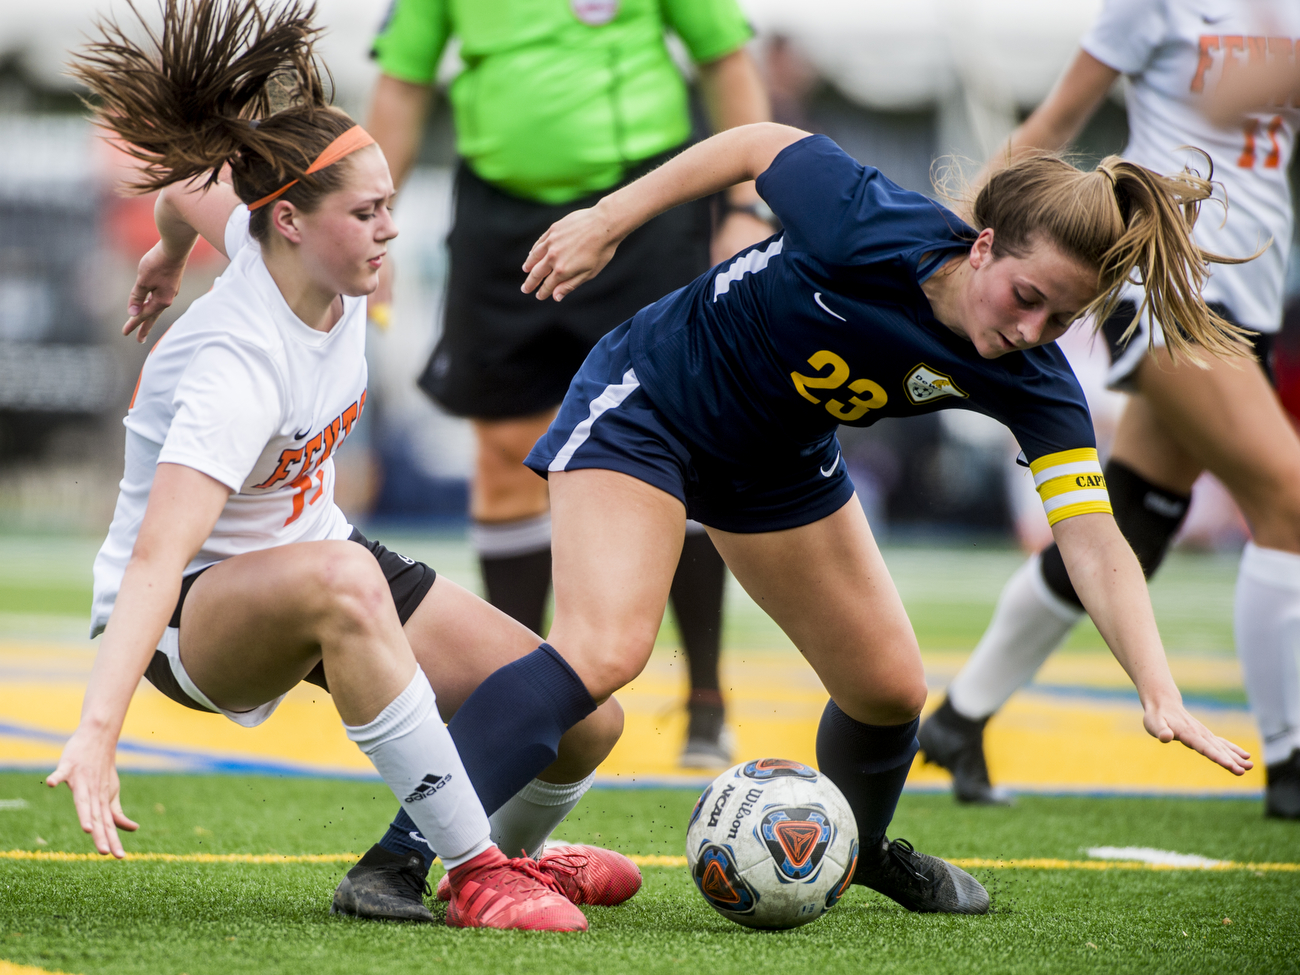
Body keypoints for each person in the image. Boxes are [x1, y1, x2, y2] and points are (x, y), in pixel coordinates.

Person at [437, 118, 1257, 916]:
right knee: (607, 651)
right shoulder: (865, 218)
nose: (1028, 330)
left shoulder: (1033, 376)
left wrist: (1159, 689)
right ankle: (407, 858)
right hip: (653, 406)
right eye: (1027, 296)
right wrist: (608, 220)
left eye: (1061, 320)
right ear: (983, 245)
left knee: (890, 688)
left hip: (777, 463)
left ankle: (853, 851)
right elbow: (759, 142)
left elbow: (1093, 536)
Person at [47, 0, 636, 931]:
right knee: (344, 576)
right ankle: (477, 870)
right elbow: (157, 562)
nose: (389, 230)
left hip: (321, 559)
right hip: (194, 618)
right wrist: (96, 729)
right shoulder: (235, 363)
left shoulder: (302, 250)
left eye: (390, 204)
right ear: (288, 221)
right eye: (368, 212)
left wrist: (164, 254)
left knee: (581, 717)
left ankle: (512, 857)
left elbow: (185, 187)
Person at [364, 0, 774, 773]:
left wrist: (746, 206)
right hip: (498, 216)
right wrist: (370, 221)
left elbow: (726, 61)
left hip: (643, 208)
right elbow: (402, 85)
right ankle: (511, 693)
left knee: (681, 445)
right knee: (507, 452)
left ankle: (708, 699)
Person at [917, 0, 1300, 820]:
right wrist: (946, 245)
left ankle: (959, 717)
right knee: (1291, 500)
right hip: (1170, 290)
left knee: (1136, 519)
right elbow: (1055, 120)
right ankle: (1291, 760)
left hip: (1250, 297)